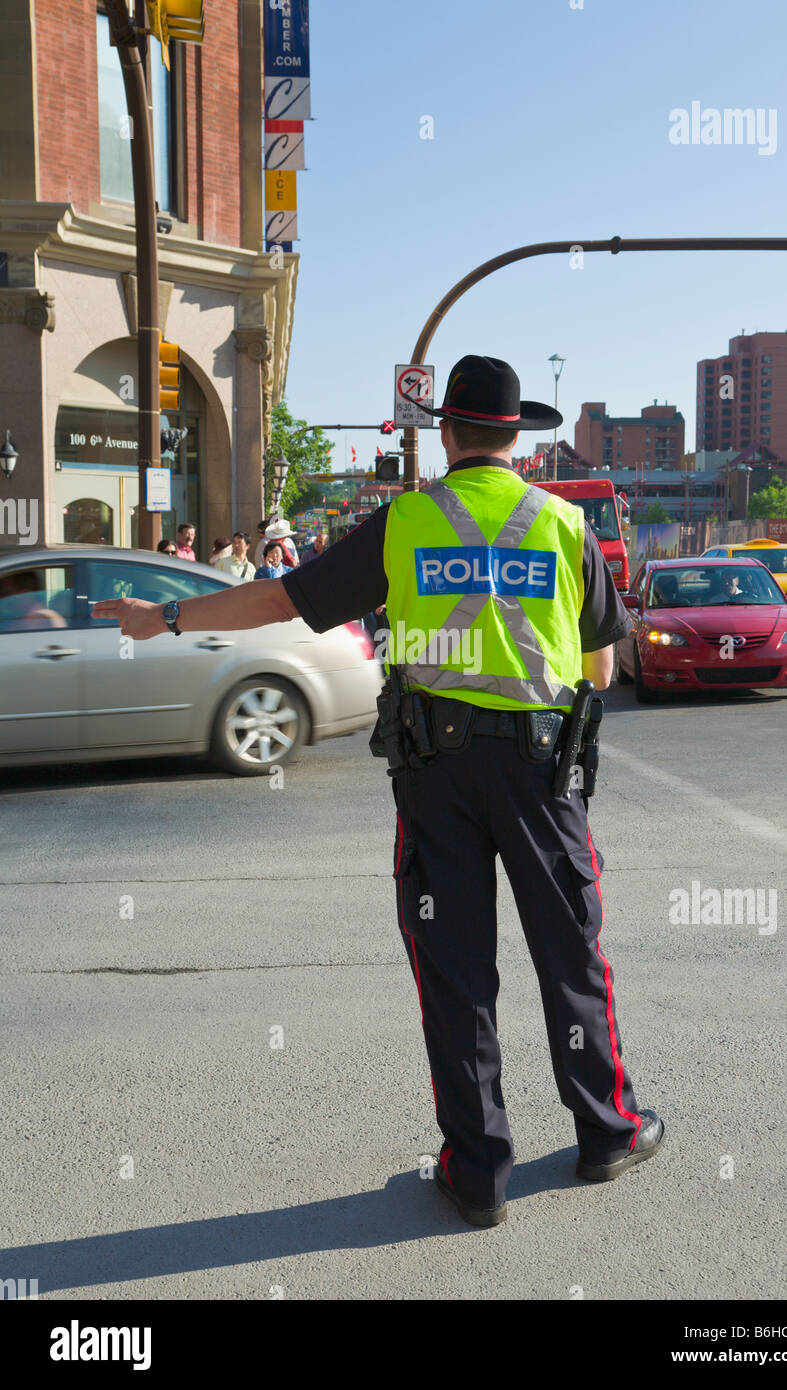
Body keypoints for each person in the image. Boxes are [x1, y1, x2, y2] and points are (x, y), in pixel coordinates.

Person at [90, 354, 663, 1229]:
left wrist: (166, 614)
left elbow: (280, 599)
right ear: (517, 440)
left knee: (455, 971)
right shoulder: (559, 523)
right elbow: (602, 650)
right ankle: (607, 1129)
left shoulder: (405, 523)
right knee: (569, 951)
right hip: (543, 772)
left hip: (436, 773)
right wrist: (570, 723)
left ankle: (477, 1175)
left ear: (446, 432)